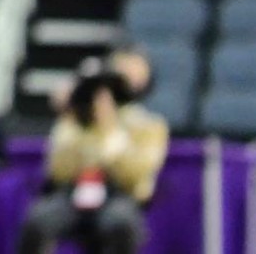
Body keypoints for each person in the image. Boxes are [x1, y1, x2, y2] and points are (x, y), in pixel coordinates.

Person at [20, 45, 170, 254]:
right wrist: (72, 115)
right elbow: (57, 170)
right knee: (37, 221)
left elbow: (135, 175)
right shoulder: (76, 120)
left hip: (121, 197)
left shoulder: (148, 125)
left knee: (120, 224)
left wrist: (109, 129)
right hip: (72, 194)